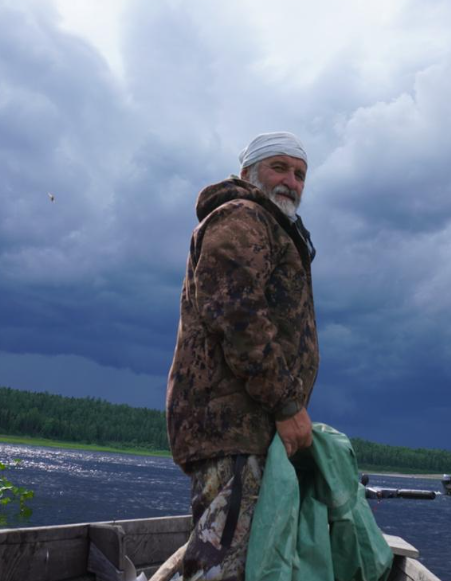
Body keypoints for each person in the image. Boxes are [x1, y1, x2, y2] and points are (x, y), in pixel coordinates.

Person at [165, 131, 319, 581]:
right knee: (221, 571)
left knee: (239, 564)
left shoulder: (272, 226)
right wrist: (287, 405)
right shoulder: (242, 216)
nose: (291, 181)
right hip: (231, 427)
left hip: (251, 429)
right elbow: (237, 314)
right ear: (250, 172)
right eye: (280, 168)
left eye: (300, 173)